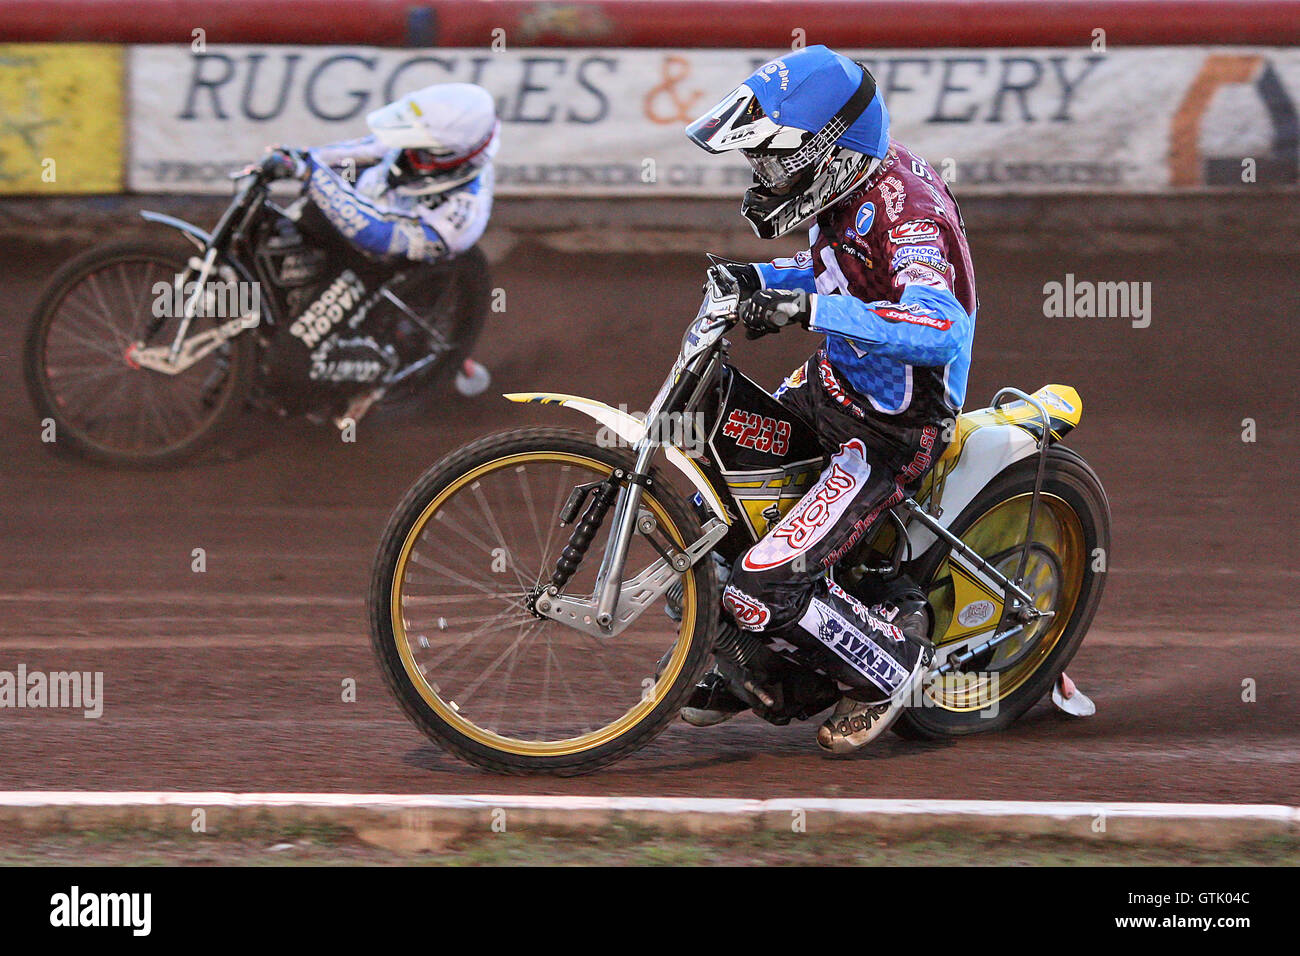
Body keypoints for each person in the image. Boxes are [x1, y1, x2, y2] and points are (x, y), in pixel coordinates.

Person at [681, 45, 978, 753]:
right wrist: (761, 280)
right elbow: (833, 269)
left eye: (776, 164)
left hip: (892, 428)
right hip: (830, 385)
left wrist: (807, 310)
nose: (764, 179)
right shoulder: (851, 185)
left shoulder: (910, 217)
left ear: (832, 154)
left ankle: (888, 670)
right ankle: (763, 666)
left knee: (761, 588)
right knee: (705, 514)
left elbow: (940, 327)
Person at [261, 83, 498, 397]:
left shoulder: (463, 214)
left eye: (419, 146)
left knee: (289, 363)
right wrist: (299, 159)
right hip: (351, 219)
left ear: (446, 156)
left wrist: (312, 176)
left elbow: (378, 236)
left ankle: (373, 368)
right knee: (266, 248)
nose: (407, 150)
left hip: (374, 262)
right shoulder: (426, 142)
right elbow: (361, 151)